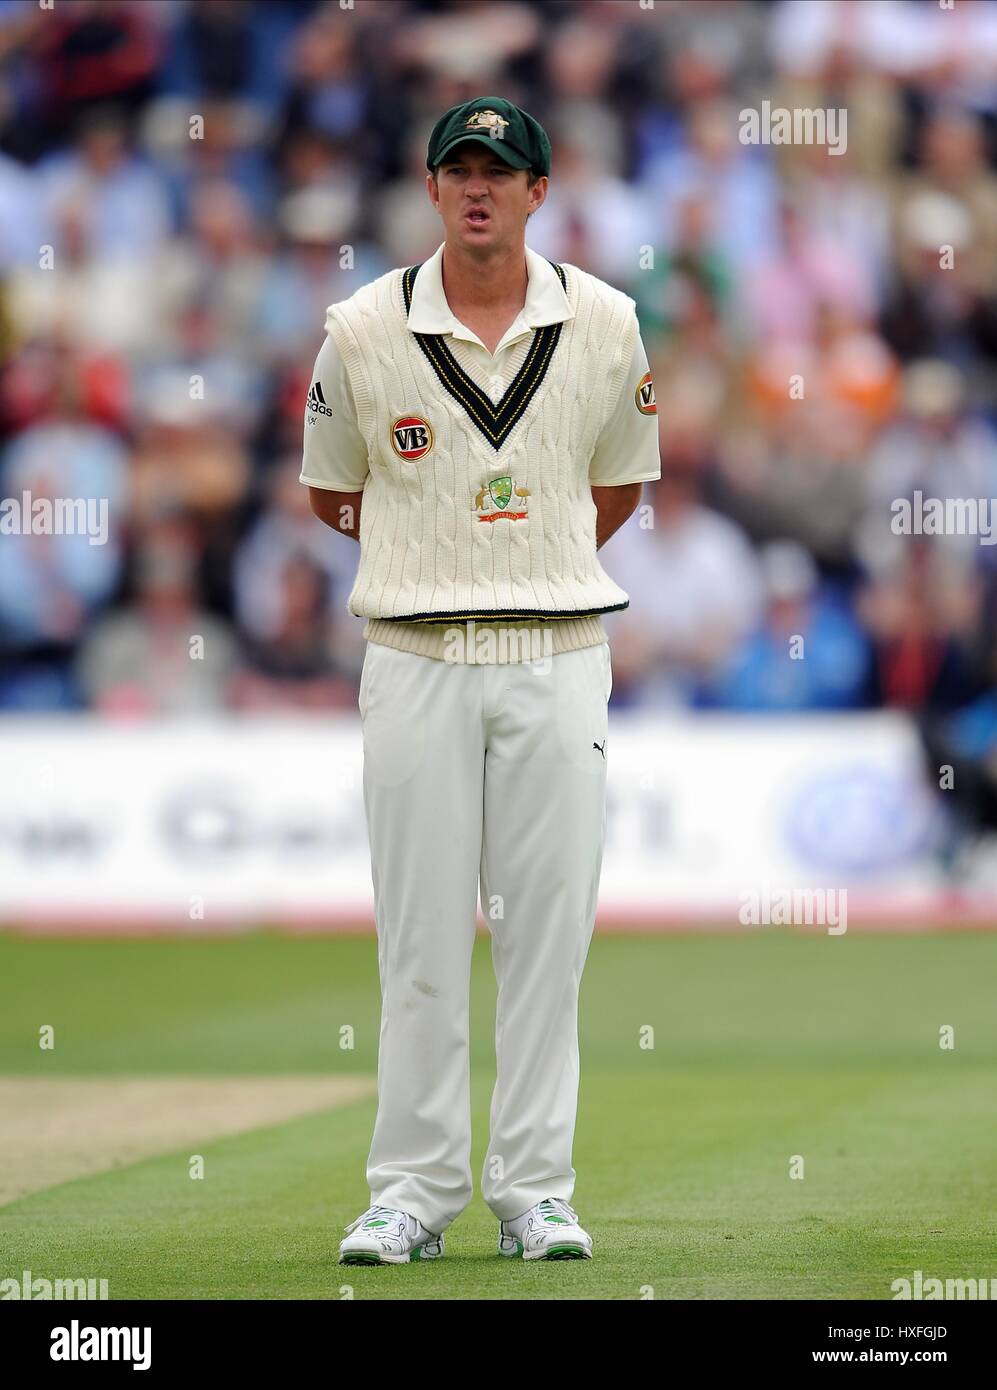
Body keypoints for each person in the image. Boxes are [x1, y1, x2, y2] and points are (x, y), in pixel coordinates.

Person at [300, 96, 660, 1265]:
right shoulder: (361, 326)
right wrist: (432, 562)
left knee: (545, 938)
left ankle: (535, 1191)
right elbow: (331, 491)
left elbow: (616, 487)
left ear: (537, 192)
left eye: (499, 172)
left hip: (557, 652)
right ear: (429, 184)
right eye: (458, 168)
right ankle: (408, 1193)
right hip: (414, 653)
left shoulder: (605, 320)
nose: (478, 188)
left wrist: (530, 563)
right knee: (418, 940)